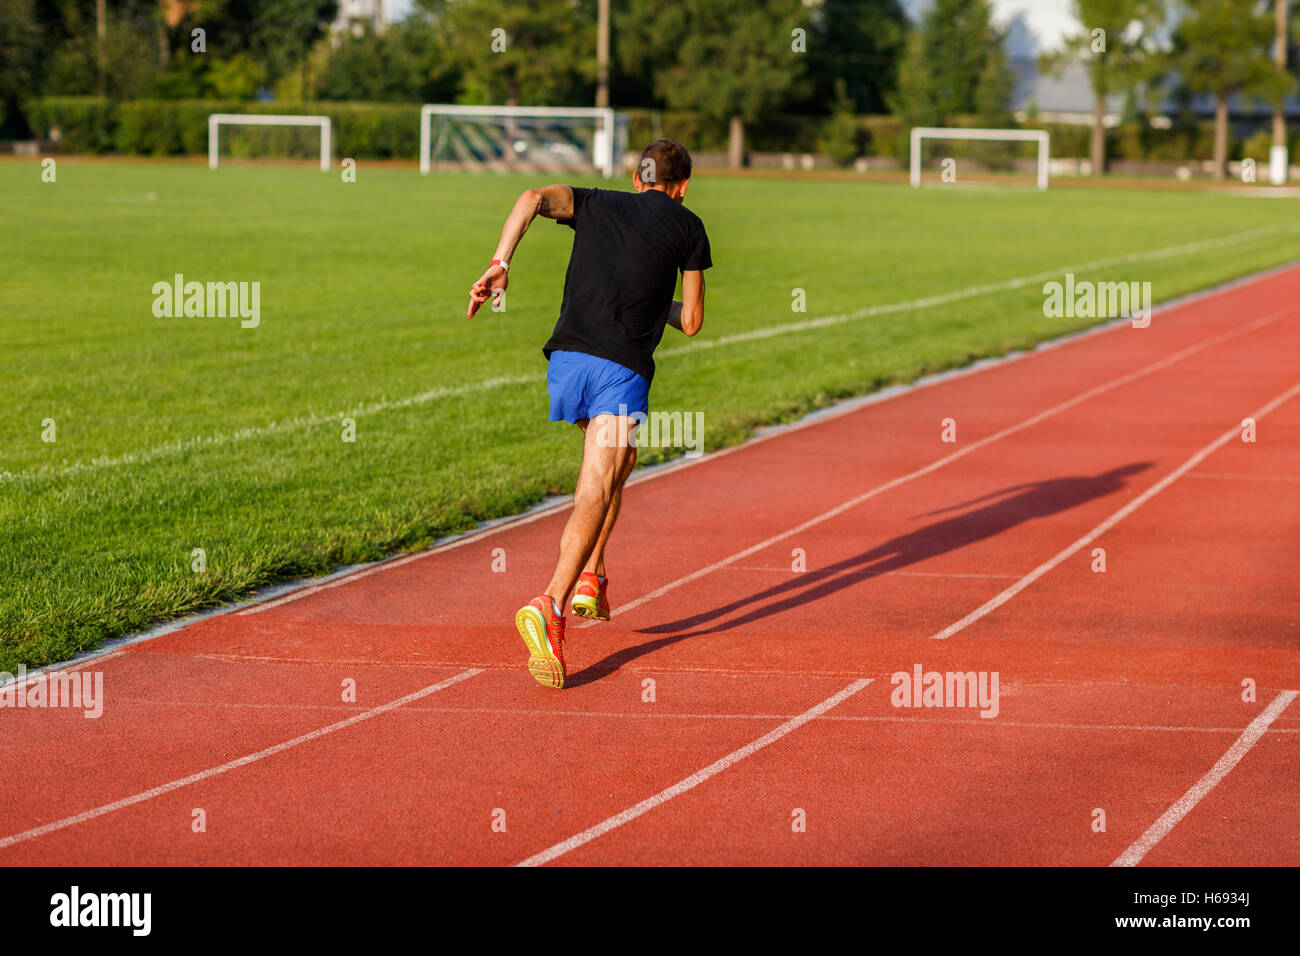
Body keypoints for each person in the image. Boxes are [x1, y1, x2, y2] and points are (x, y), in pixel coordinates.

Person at [467, 138, 712, 688]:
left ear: (635, 177)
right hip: (618, 368)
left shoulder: (594, 200)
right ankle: (550, 604)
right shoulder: (689, 226)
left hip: (566, 360)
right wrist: (658, 305)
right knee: (597, 483)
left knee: (622, 460)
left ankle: (592, 577)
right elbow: (692, 321)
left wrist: (500, 264)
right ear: (683, 187)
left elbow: (530, 196)